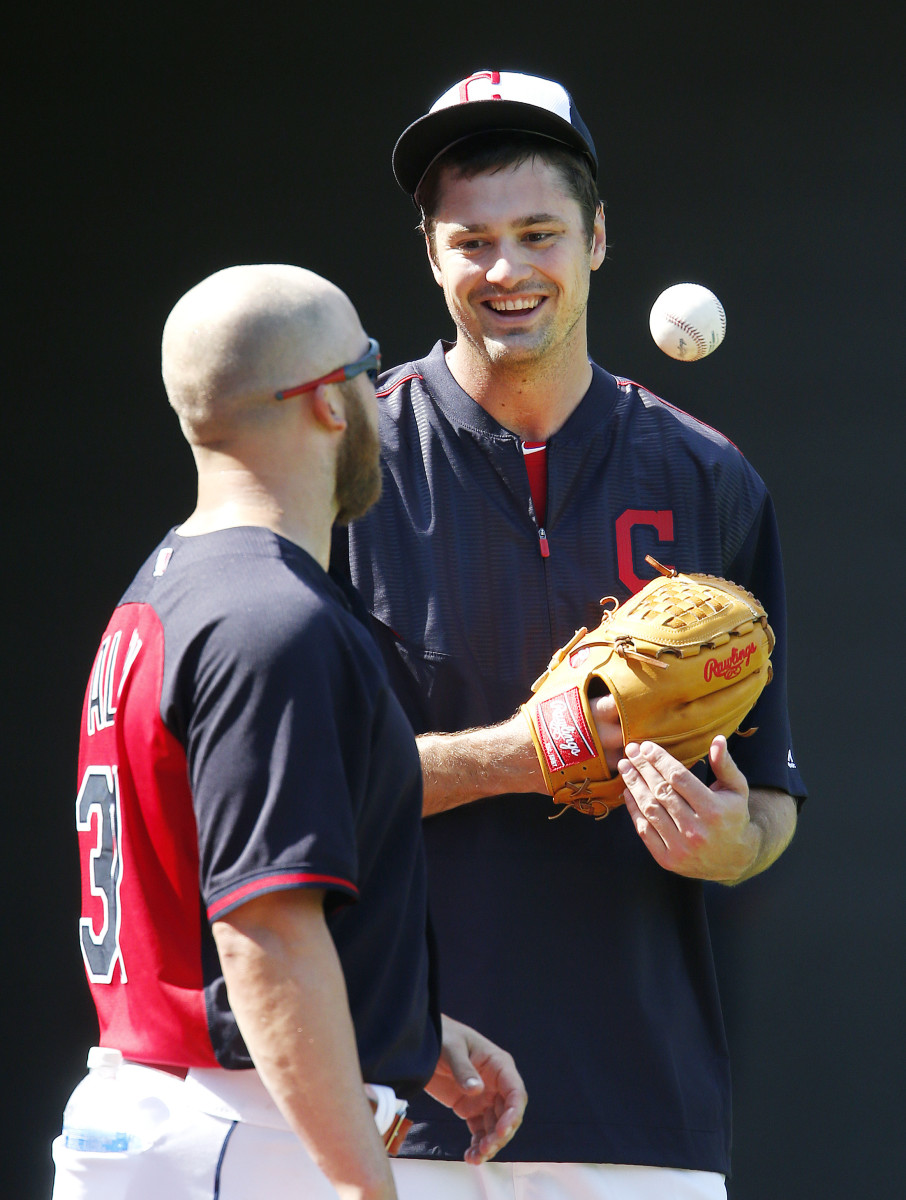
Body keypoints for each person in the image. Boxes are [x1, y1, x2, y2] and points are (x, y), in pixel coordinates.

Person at [335, 70, 807, 1199]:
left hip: (641, 1105)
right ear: (432, 256)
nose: (507, 270)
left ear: (596, 240)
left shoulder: (708, 476)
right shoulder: (349, 473)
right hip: (401, 1100)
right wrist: (525, 752)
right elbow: (301, 791)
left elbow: (774, 804)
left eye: (539, 232)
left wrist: (731, 844)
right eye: (472, 240)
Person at [53, 263, 526, 1200]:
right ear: (326, 404)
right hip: (245, 1131)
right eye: (367, 366)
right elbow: (264, 930)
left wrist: (402, 1029)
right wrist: (361, 1183)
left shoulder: (177, 583)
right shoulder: (271, 618)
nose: (379, 395)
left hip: (170, 1108)